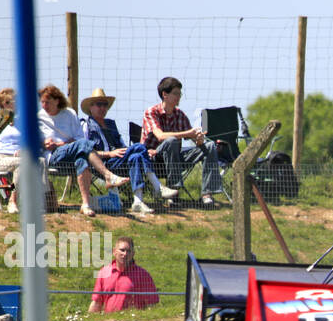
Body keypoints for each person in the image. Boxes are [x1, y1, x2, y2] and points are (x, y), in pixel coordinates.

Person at [81, 87, 179, 215]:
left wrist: (133, 152)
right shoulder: (85, 126)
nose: (102, 108)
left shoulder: (111, 124)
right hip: (103, 165)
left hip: (119, 161)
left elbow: (122, 146)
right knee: (139, 147)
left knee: (137, 156)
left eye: (105, 105)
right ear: (91, 107)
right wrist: (109, 154)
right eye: (99, 104)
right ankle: (157, 186)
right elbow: (85, 152)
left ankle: (138, 201)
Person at [38, 85, 128, 217]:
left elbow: (78, 138)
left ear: (57, 101)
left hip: (71, 152)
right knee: (84, 145)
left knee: (82, 158)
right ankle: (108, 176)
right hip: (53, 156)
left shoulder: (70, 114)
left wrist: (61, 143)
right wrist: (44, 143)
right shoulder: (38, 117)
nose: (44, 105)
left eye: (48, 102)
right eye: (43, 102)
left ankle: (86, 205)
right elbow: (33, 141)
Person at [142, 76, 223, 207]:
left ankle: (207, 194)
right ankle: (174, 192)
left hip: (175, 159)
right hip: (154, 159)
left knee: (210, 146)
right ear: (164, 95)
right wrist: (187, 133)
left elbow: (194, 139)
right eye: (176, 94)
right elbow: (161, 136)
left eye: (180, 94)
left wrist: (199, 138)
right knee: (171, 141)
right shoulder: (151, 112)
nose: (179, 97)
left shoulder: (180, 115)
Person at [89, 236, 159, 313]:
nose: (125, 254)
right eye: (122, 250)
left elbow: (152, 305)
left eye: (128, 251)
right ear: (114, 251)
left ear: (133, 254)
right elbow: (97, 302)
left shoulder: (143, 275)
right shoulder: (104, 272)